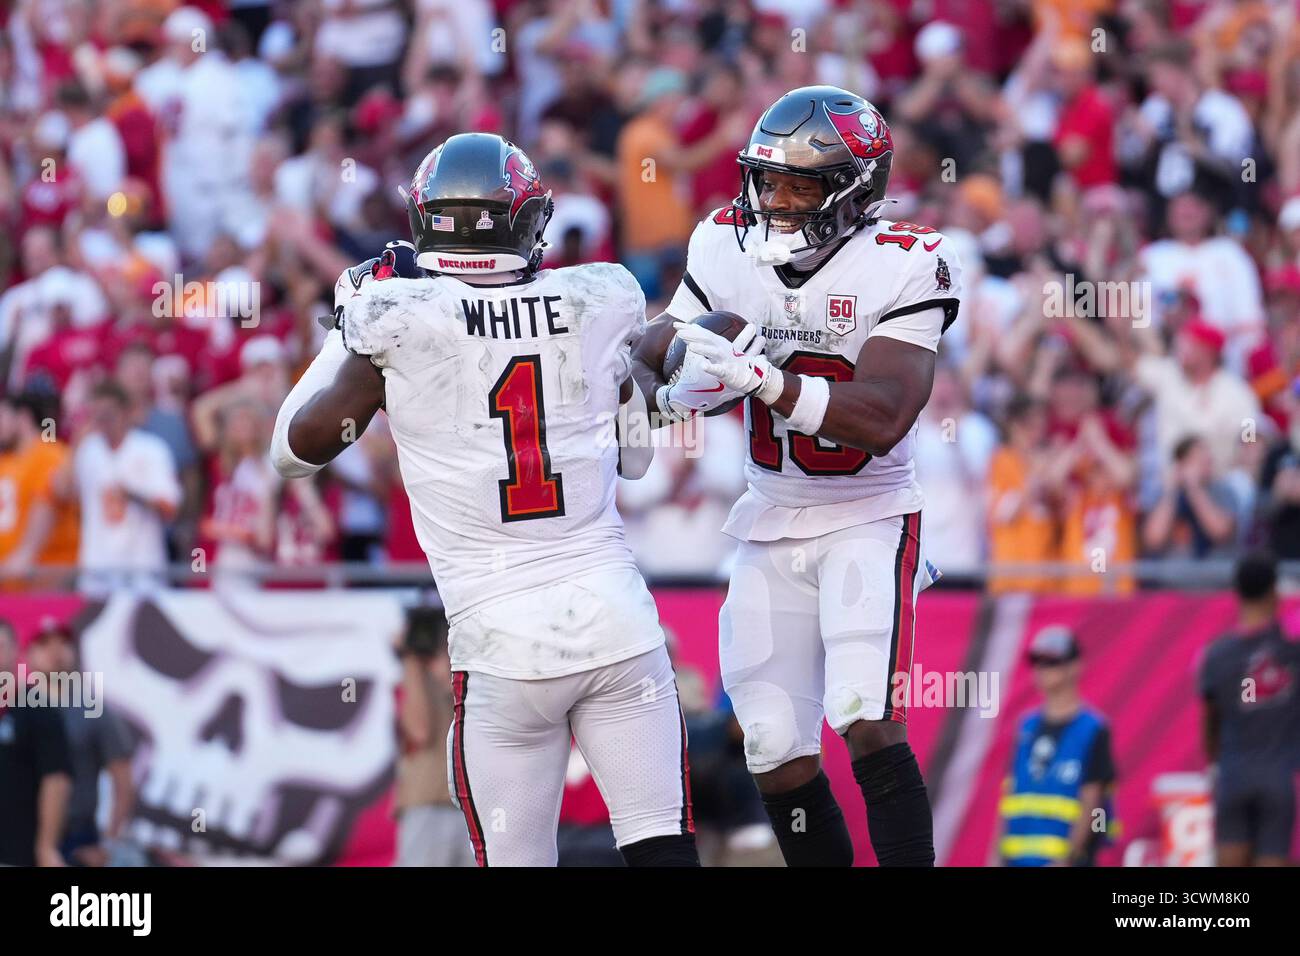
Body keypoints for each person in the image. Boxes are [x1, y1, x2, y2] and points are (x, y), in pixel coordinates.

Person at [272, 134, 697, 867]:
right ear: (528, 221)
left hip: (502, 646)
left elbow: (291, 450)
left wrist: (351, 323)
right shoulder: (598, 296)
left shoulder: (399, 317)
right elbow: (632, 459)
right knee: (662, 847)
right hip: (617, 621)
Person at [632, 85, 959, 867]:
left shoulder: (907, 261)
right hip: (770, 511)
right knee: (772, 744)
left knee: (865, 715)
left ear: (855, 191)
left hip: (868, 511)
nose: (775, 201)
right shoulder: (723, 243)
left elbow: (884, 415)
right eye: (767, 180)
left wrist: (766, 381)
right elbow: (655, 351)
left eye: (801, 185)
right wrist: (677, 369)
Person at [1199, 552, 1300, 866]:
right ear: (1274, 593)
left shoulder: (1217, 655)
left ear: (1236, 593)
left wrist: (1216, 765)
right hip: (1279, 779)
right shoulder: (1291, 652)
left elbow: (1209, 721)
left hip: (1233, 775)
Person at [993, 626, 1116, 866]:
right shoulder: (1025, 728)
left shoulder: (1093, 729)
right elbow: (1011, 795)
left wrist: (1067, 859)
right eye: (1038, 662)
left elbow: (1093, 802)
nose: (1042, 669)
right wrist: (996, 858)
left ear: (1075, 666)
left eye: (1052, 662)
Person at [23, 620, 134, 866]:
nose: (56, 652)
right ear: (29, 653)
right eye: (44, 644)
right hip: (20, 833)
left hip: (76, 836)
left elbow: (123, 780)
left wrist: (109, 843)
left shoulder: (93, 710)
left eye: (63, 643)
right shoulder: (14, 710)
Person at [72, 380, 182, 595]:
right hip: (96, 573)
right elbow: (63, 493)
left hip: (142, 572)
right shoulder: (88, 450)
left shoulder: (152, 449)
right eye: (97, 413)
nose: (103, 421)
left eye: (109, 413)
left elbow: (171, 508)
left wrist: (132, 495)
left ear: (125, 413)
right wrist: (76, 444)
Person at [0, 618, 72, 867]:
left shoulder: (37, 709)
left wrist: (46, 846)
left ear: (14, 651)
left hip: (16, 853)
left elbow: (56, 781)